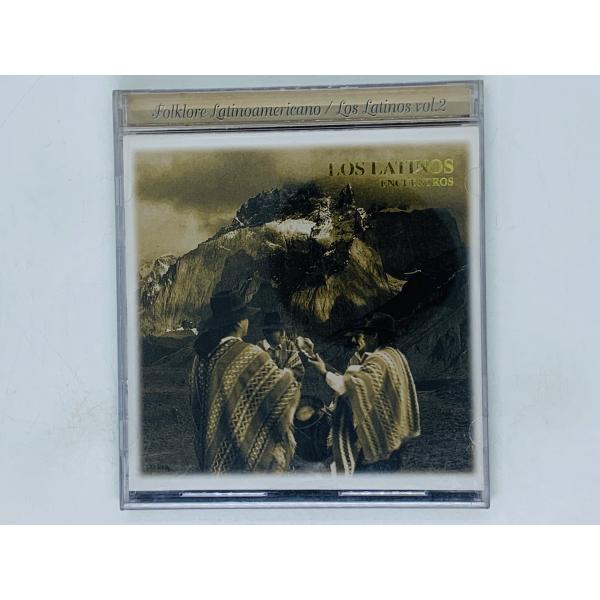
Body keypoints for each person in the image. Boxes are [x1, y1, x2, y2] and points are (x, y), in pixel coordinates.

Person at [189, 291, 301, 473]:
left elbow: (196, 404)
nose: (248, 321)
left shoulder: (201, 357)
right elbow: (284, 390)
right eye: (246, 317)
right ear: (238, 323)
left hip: (212, 451)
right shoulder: (250, 355)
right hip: (245, 455)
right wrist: (289, 373)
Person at [308, 313, 420, 475]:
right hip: (397, 434)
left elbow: (352, 388)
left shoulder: (378, 360)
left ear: (375, 336)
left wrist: (323, 372)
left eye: (366, 335)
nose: (363, 339)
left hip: (383, 439)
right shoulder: (395, 355)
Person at [256, 311, 305, 383]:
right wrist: (286, 373)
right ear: (266, 333)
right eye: (278, 330)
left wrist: (277, 374)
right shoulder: (258, 350)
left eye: (284, 330)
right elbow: (257, 376)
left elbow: (299, 371)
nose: (283, 334)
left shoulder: (289, 346)